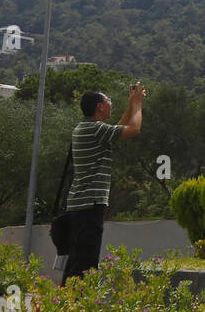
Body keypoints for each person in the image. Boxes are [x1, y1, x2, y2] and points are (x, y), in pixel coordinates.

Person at [61, 82, 144, 284]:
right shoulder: (95, 130)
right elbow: (133, 128)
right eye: (108, 101)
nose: (111, 103)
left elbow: (118, 129)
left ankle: (65, 304)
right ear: (99, 106)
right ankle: (77, 305)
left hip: (81, 205)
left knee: (78, 258)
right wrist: (138, 104)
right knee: (85, 262)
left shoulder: (88, 128)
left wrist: (131, 104)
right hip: (89, 206)